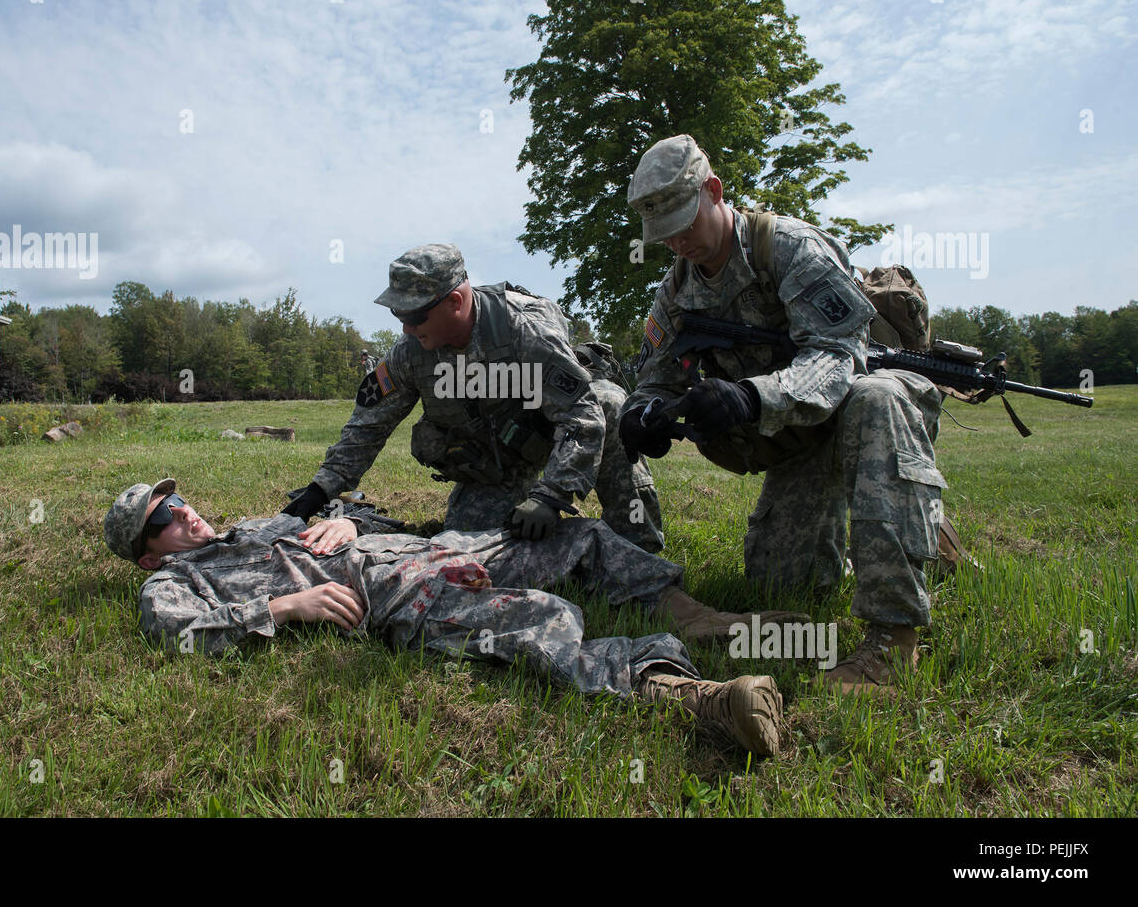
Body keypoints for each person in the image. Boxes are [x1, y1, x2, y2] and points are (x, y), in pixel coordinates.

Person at [103, 478, 786, 756]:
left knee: (578, 536)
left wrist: (344, 518)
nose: (183, 512)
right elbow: (179, 634)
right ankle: (695, 694)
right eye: (161, 518)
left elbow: (365, 510)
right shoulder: (178, 582)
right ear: (146, 554)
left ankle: (701, 616)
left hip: (434, 549)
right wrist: (286, 605)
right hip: (398, 592)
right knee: (538, 617)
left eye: (178, 498)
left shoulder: (258, 524)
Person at [620, 134, 947, 695]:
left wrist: (750, 396)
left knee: (876, 399)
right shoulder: (675, 290)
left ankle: (893, 644)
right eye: (663, 234)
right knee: (784, 585)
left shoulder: (791, 248)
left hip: (854, 414)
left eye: (684, 223)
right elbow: (653, 375)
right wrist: (642, 412)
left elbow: (838, 355)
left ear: (715, 192)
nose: (677, 242)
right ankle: (917, 529)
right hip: (797, 442)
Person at [285, 243, 664, 554]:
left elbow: (581, 416)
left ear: (454, 301)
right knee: (467, 544)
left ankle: (638, 547)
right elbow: (366, 428)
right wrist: (319, 491)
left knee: (609, 403)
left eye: (415, 315)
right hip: (498, 461)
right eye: (399, 314)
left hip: (556, 435)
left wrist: (552, 496)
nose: (405, 327)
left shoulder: (524, 328)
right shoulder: (411, 353)